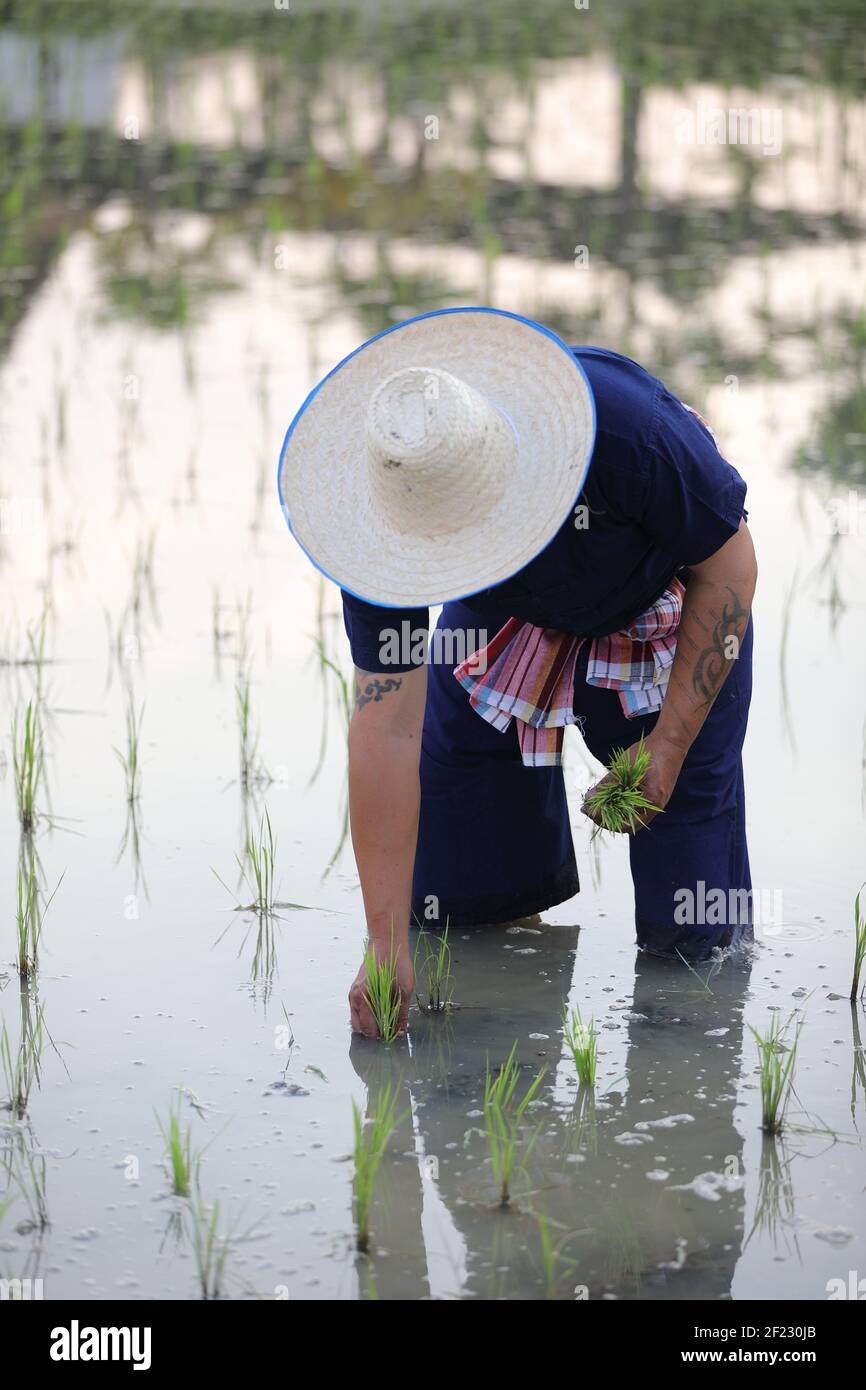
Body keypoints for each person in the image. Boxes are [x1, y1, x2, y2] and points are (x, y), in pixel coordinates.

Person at [277, 307, 757, 1039]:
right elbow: (388, 725)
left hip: (663, 613)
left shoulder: (627, 432)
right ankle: (490, 1076)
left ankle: (683, 1046)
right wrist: (385, 947)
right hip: (503, 618)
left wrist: (666, 748)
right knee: (457, 901)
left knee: (691, 941)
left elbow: (730, 570)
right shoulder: (382, 509)